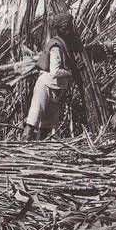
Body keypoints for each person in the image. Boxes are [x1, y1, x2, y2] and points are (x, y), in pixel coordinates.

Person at [23, 12, 75, 141]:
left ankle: (41, 148)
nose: (68, 31)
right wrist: (71, 73)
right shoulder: (56, 46)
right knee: (33, 119)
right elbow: (55, 71)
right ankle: (23, 144)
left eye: (69, 27)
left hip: (56, 88)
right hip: (46, 85)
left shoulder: (64, 44)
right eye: (65, 28)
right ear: (58, 29)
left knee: (47, 123)